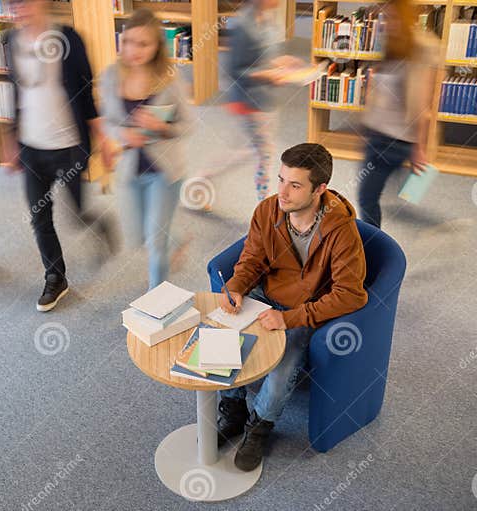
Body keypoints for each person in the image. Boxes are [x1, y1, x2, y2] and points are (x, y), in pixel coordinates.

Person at [217, 143, 368, 472]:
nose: (281, 192)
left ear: (320, 189)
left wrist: (289, 319)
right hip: (267, 294)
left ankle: (259, 425)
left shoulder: (341, 231)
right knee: (227, 336)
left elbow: (351, 295)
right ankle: (232, 407)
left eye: (294, 185)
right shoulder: (267, 210)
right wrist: (238, 285)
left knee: (284, 364)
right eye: (281, 179)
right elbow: (252, 259)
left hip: (305, 309)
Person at [2, 0, 115, 311]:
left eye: (25, 3)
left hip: (67, 146)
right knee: (40, 218)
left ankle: (101, 225)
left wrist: (103, 139)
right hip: (31, 147)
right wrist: (12, 138)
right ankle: (55, 277)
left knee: (78, 213)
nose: (19, 10)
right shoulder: (11, 41)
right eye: (13, 5)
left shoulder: (68, 39)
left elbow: (86, 93)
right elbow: (17, 93)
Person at [99, 9, 194, 290]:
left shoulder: (170, 80)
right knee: (137, 237)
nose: (133, 50)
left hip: (165, 172)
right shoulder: (111, 76)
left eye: (143, 44)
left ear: (156, 47)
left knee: (155, 241)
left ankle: (157, 302)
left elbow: (189, 125)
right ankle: (177, 238)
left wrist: (162, 127)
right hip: (130, 170)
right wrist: (123, 133)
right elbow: (108, 121)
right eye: (128, 41)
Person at [201, 0, 303, 207]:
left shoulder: (268, 19)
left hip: (266, 99)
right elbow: (236, 72)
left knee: (249, 150)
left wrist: (282, 62)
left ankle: (204, 177)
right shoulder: (242, 26)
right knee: (262, 154)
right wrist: (267, 75)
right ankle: (264, 205)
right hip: (249, 102)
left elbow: (262, 57)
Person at [357, 0, 438, 228]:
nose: (388, 24)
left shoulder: (420, 48)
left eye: (393, 18)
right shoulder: (392, 44)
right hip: (376, 135)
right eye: (386, 18)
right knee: (392, 200)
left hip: (394, 141)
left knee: (367, 198)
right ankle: (435, 229)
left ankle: (374, 250)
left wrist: (419, 147)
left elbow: (421, 105)